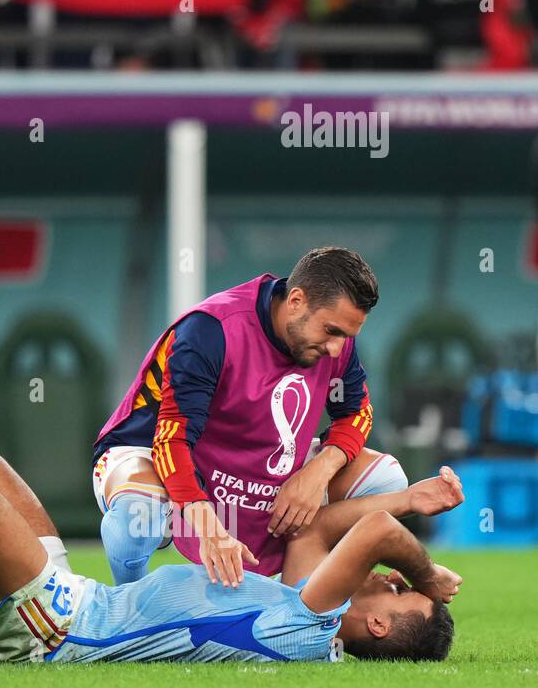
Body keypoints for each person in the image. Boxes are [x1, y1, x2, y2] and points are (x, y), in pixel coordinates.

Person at [0, 449, 461, 664]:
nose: (387, 580)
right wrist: (410, 495)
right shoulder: (305, 607)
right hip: (82, 597)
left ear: (378, 623)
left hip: (62, 634)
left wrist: (426, 574)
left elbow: (378, 531)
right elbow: (312, 529)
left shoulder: (310, 628)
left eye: (396, 592)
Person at [92, 247, 408, 589]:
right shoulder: (210, 330)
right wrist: (210, 530)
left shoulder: (337, 341)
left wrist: (320, 470)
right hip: (159, 455)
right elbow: (173, 440)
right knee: (135, 519)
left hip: (257, 468)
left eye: (346, 336)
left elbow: (356, 412)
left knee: (387, 480)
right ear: (297, 300)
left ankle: (301, 603)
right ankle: (128, 612)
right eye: (331, 331)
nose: (336, 348)